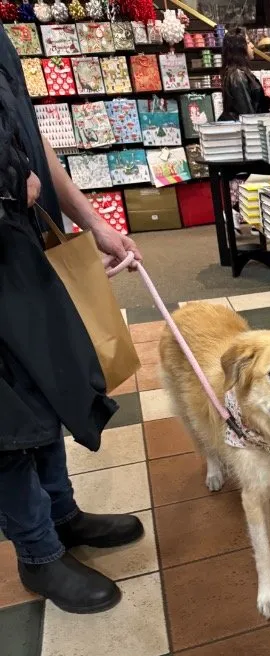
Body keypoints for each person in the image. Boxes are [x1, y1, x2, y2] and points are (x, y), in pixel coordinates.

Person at [0, 28, 145, 614]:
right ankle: (38, 554)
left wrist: (93, 220)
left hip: (21, 247)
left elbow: (34, 144)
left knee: (45, 386)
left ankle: (61, 516)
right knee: (5, 422)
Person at [220, 28, 270, 120]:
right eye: (248, 43)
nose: (252, 46)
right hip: (248, 129)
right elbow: (247, 113)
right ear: (238, 48)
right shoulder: (237, 75)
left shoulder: (240, 73)